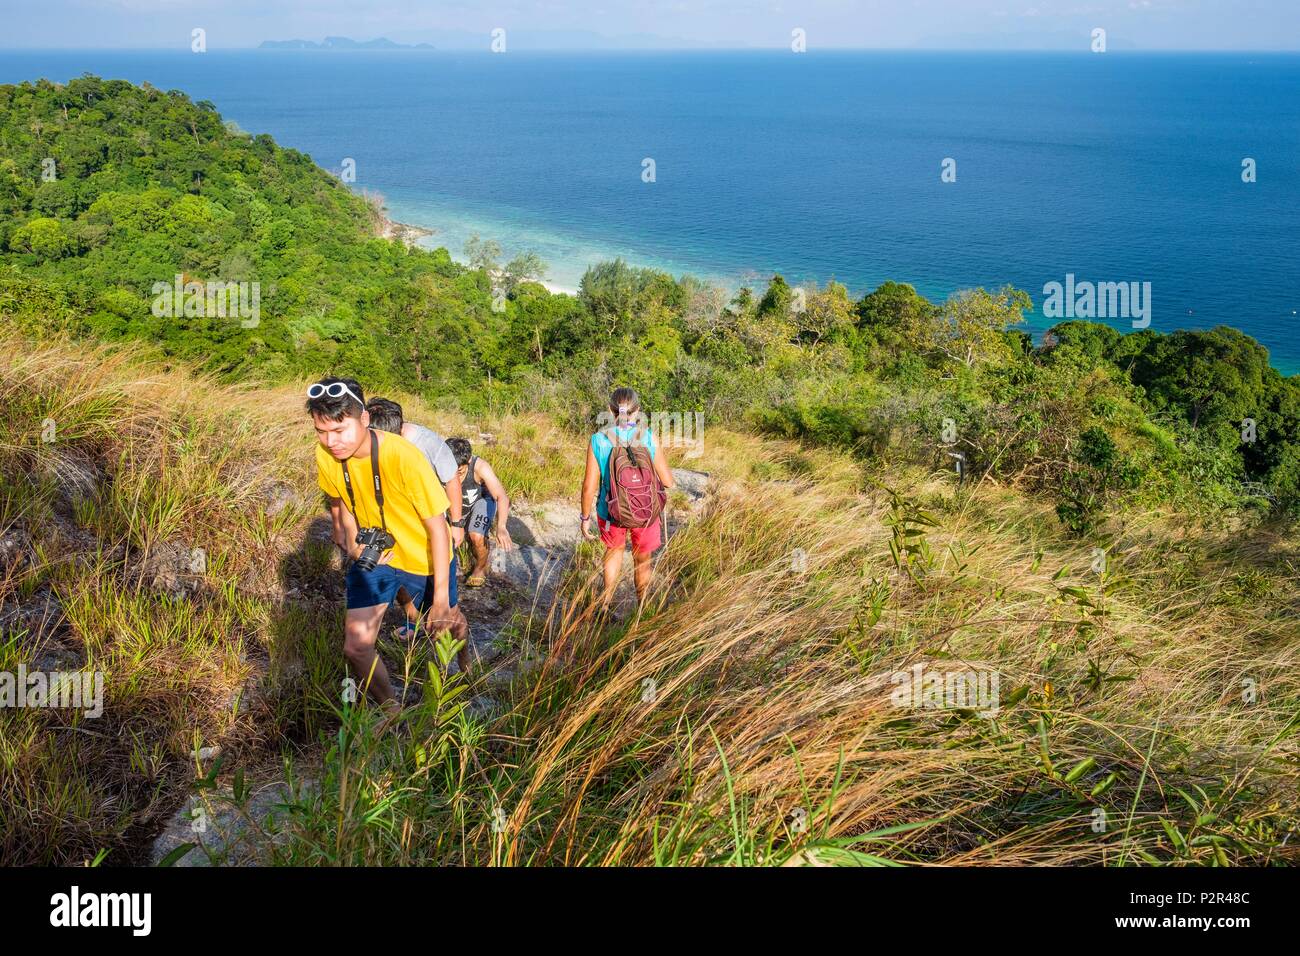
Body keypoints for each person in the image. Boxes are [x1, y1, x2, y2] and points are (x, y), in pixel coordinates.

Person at [307, 377, 467, 727]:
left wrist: (440, 597)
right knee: (356, 648)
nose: (331, 441)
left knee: (447, 620)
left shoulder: (404, 456)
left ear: (363, 418)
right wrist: (352, 542)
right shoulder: (328, 455)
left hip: (424, 556)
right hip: (378, 555)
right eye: (322, 431)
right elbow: (340, 501)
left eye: (340, 429)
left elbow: (438, 528)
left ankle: (467, 666)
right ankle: (391, 709)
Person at [366, 398, 466, 639]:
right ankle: (416, 622)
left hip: (431, 530)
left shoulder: (426, 443)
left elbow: (451, 479)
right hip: (396, 532)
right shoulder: (366, 444)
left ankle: (463, 663)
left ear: (399, 429)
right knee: (403, 588)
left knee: (446, 605)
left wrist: (457, 523)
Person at [579, 387, 675, 608]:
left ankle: (605, 605)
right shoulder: (648, 437)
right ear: (637, 411)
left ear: (610, 410)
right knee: (643, 560)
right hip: (645, 511)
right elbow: (668, 481)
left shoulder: (598, 440)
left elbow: (588, 487)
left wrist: (585, 518)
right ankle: (642, 608)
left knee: (614, 552)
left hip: (611, 511)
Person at [446, 437, 513, 586]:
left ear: (468, 461)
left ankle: (480, 568)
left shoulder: (480, 467)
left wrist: (501, 527)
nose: (454, 477)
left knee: (476, 536)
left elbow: (501, 496)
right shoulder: (438, 463)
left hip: (479, 501)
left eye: (459, 472)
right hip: (451, 506)